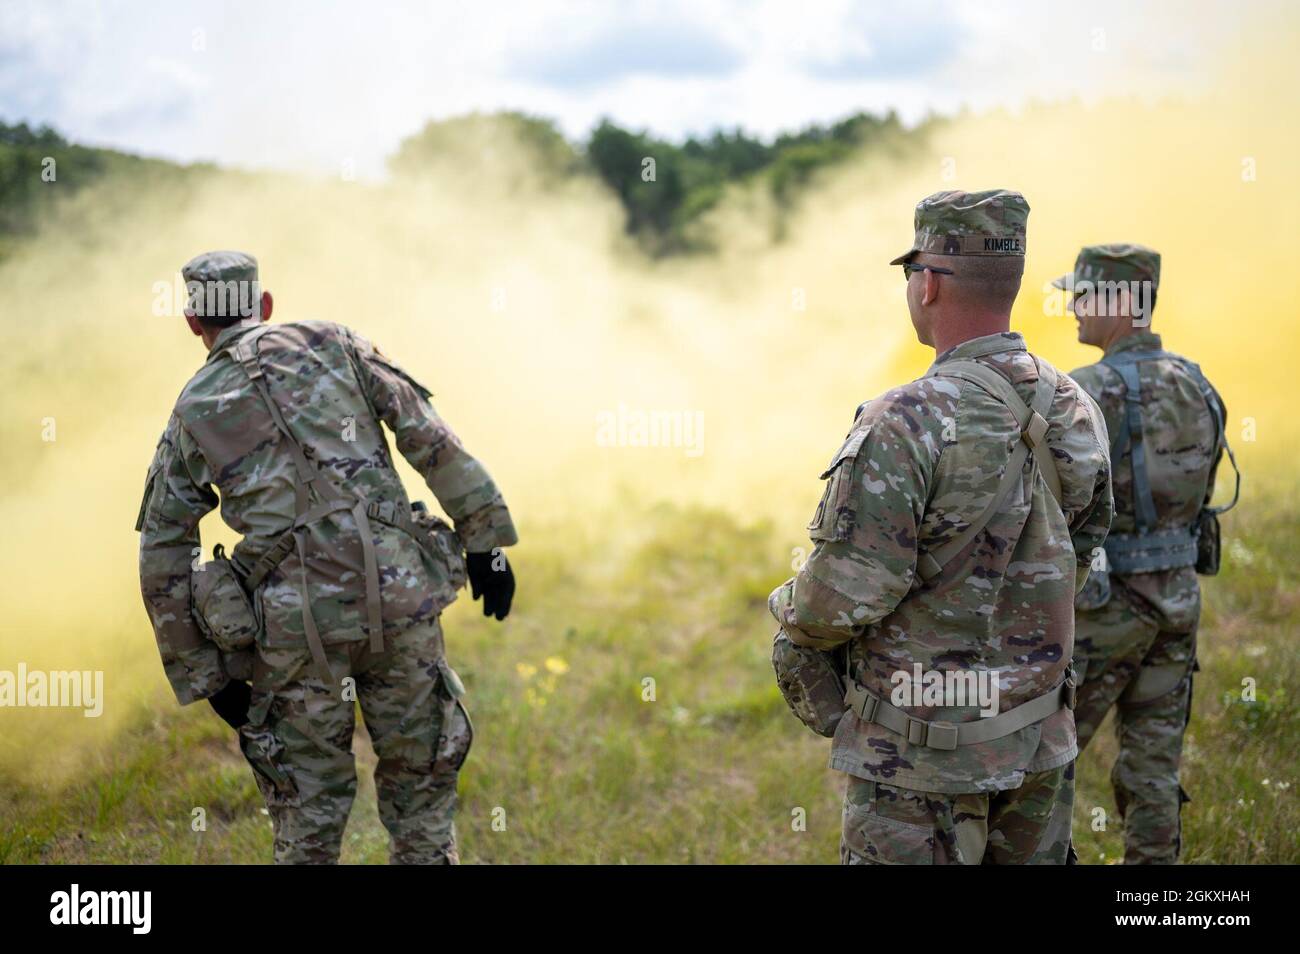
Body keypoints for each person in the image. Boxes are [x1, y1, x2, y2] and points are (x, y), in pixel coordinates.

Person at [136, 250, 518, 863]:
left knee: (307, 813)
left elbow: (162, 551)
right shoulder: (334, 342)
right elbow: (428, 437)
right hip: (397, 603)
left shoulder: (192, 410)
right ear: (263, 306)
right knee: (421, 790)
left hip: (292, 636)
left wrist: (205, 676)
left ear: (192, 323)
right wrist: (485, 543)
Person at [769, 191, 1113, 864]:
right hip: (1038, 743)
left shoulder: (903, 418)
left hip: (917, 763)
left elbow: (843, 595)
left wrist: (784, 612)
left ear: (927, 282)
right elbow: (1084, 545)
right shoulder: (1077, 406)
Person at [1056, 244, 1237, 863]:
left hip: (1104, 610)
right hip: (1180, 602)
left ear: (1117, 303)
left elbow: (1050, 506)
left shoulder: (1082, 392)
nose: (1072, 307)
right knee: (1153, 771)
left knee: (1041, 764)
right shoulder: (1197, 383)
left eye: (1082, 295)